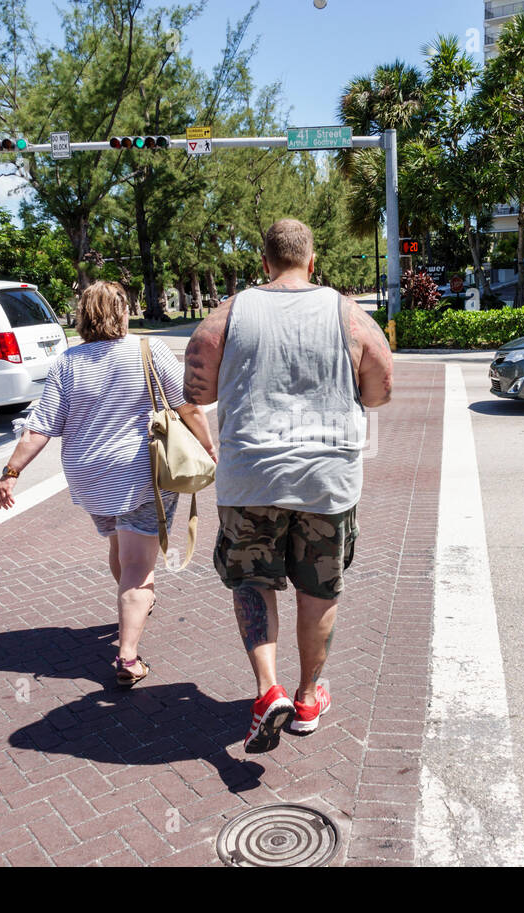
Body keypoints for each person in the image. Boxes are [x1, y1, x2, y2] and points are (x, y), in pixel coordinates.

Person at [185, 218, 394, 753]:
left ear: (264, 263)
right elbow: (379, 390)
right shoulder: (347, 313)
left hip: (250, 477)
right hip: (327, 479)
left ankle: (266, 689)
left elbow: (196, 388)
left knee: (252, 581)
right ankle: (306, 697)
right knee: (318, 587)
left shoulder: (229, 314)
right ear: (313, 261)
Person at [0, 281, 216, 688]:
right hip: (140, 475)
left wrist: (11, 473)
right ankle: (128, 657)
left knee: (120, 544)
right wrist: (209, 447)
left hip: (90, 478)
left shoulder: (68, 362)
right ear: (123, 311)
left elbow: (40, 427)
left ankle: (134, 602)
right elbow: (188, 407)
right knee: (137, 566)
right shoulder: (148, 351)